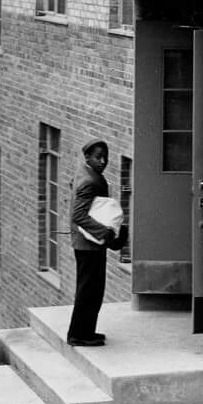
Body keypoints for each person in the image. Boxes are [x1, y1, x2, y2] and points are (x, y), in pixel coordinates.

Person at [67, 138, 126, 347]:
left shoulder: (87, 174)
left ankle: (86, 331)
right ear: (87, 158)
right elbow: (79, 215)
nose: (102, 161)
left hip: (89, 243)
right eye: (98, 157)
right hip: (88, 245)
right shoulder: (89, 181)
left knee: (92, 289)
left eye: (105, 157)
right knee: (88, 291)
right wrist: (106, 233)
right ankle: (78, 335)